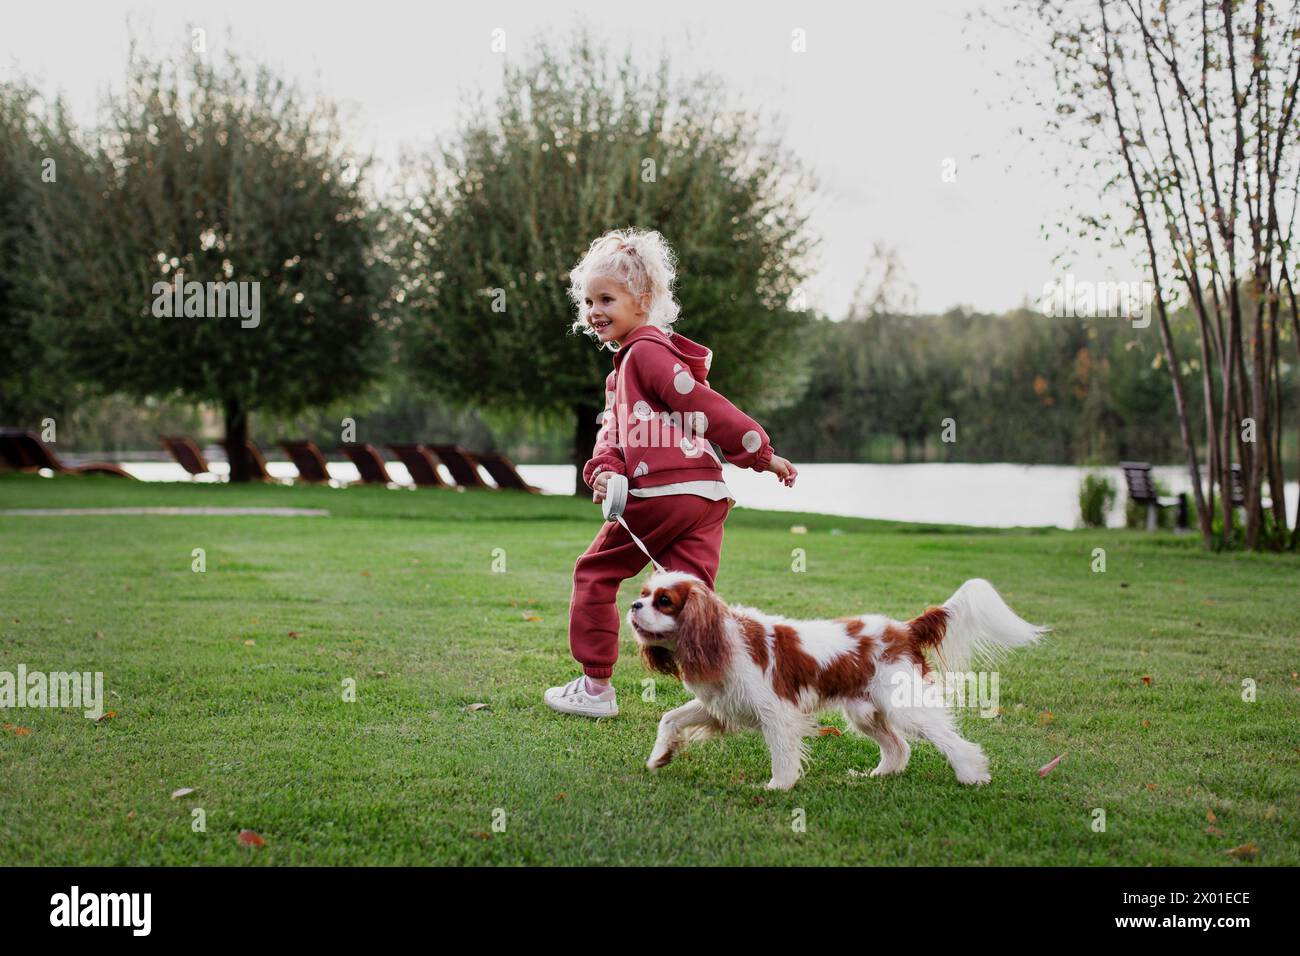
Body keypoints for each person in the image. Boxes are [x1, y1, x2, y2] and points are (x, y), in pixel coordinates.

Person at [545, 227, 797, 717]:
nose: (594, 310)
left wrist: (760, 451)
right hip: (705, 497)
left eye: (606, 299)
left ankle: (596, 689)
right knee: (694, 600)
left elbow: (702, 404)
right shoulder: (626, 368)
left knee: (594, 573)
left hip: (660, 492)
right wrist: (604, 469)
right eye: (588, 301)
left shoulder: (646, 353)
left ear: (641, 302)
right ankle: (739, 686)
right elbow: (612, 435)